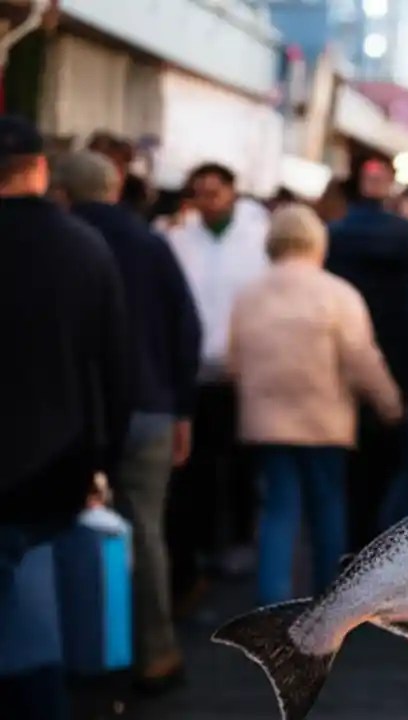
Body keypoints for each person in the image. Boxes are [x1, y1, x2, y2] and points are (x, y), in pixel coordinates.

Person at [0, 115, 131, 719]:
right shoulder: (82, 247)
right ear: (42, 169)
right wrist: (104, 463)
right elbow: (114, 367)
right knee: (34, 628)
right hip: (53, 466)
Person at [61, 150, 202, 694]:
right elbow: (186, 328)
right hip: (150, 407)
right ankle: (155, 654)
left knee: (65, 530)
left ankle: (84, 657)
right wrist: (182, 407)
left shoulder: (63, 240)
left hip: (79, 412)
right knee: (145, 531)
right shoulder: (151, 242)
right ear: (117, 187)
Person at [227, 204, 403, 605]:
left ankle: (272, 603)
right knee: (327, 508)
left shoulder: (248, 293)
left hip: (265, 422)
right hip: (325, 420)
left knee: (277, 509)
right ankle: (331, 600)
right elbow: (362, 358)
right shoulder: (337, 293)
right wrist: (389, 403)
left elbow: (233, 359)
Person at [165, 162, 271, 606]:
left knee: (242, 460)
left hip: (244, 369)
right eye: (200, 192)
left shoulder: (256, 239)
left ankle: (239, 538)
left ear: (232, 193)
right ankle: (207, 542)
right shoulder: (176, 240)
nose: (208, 200)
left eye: (216, 191)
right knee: (200, 462)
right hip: (194, 370)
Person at [325, 157, 408, 549]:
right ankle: (385, 553)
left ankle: (346, 554)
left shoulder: (332, 236)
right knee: (395, 469)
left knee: (350, 479)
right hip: (401, 369)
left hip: (338, 372)